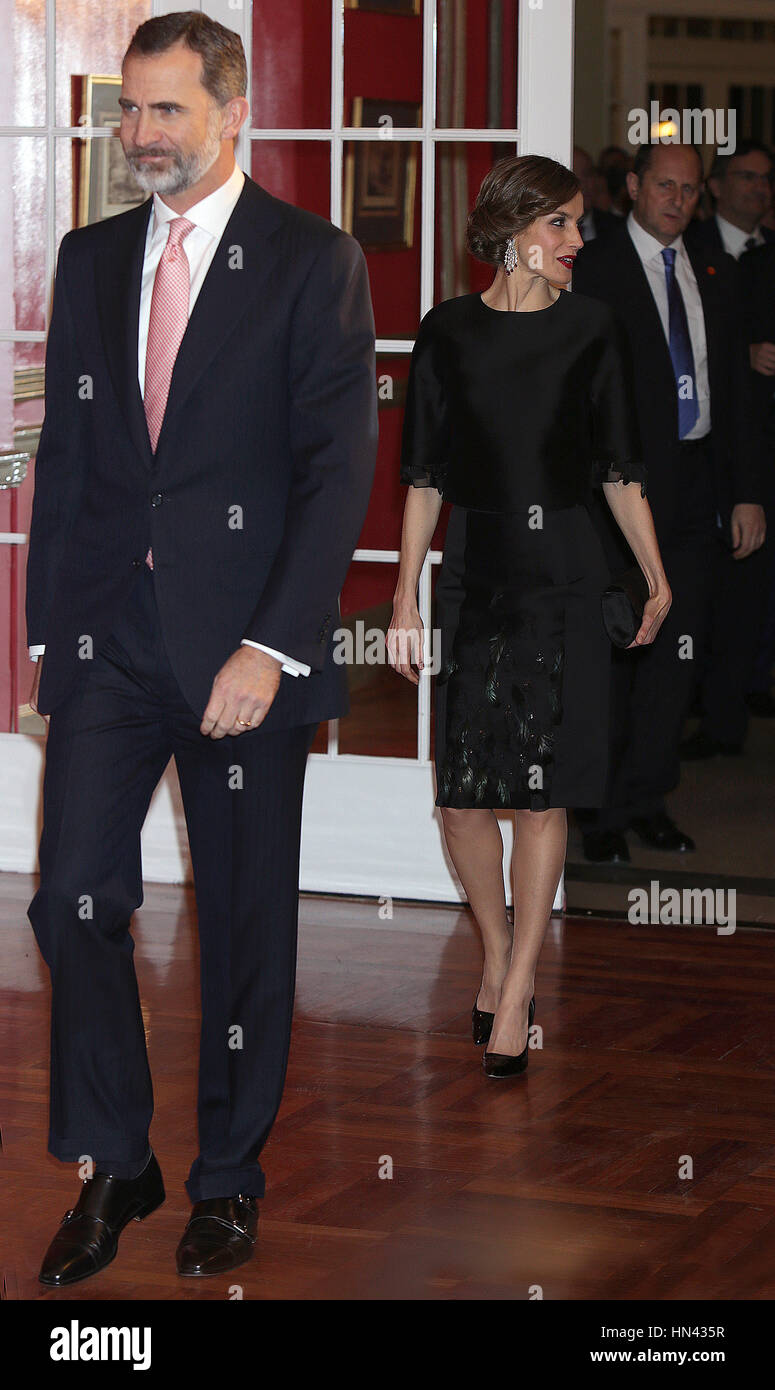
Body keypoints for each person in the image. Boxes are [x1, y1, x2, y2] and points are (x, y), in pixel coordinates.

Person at [26, 11, 376, 1285]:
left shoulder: (312, 261)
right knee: (69, 899)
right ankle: (118, 1161)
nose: (139, 136)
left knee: (237, 929)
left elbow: (339, 475)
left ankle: (229, 1177)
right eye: (129, 110)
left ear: (233, 112)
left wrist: (271, 647)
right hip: (112, 644)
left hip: (241, 657)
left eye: (165, 110)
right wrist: (51, 651)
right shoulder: (92, 257)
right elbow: (69, 465)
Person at [388, 155, 669, 1079]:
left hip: (566, 574)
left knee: (542, 791)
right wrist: (401, 595)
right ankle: (498, 949)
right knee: (463, 797)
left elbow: (618, 470)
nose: (575, 243)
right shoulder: (446, 333)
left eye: (578, 225)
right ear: (512, 231)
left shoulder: (593, 329)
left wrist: (654, 577)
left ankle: (515, 993)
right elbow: (425, 476)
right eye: (561, 225)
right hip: (476, 574)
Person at [573, 143, 766, 861]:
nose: (676, 200)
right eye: (663, 186)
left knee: (673, 656)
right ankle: (597, 813)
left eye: (688, 190)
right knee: (616, 650)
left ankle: (648, 799)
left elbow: (738, 397)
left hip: (696, 492)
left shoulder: (716, 274)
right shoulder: (591, 271)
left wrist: (746, 495)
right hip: (618, 496)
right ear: (631, 188)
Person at [684, 140, 775, 259]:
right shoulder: (688, 246)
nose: (761, 187)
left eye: (767, 178)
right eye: (748, 177)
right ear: (716, 186)